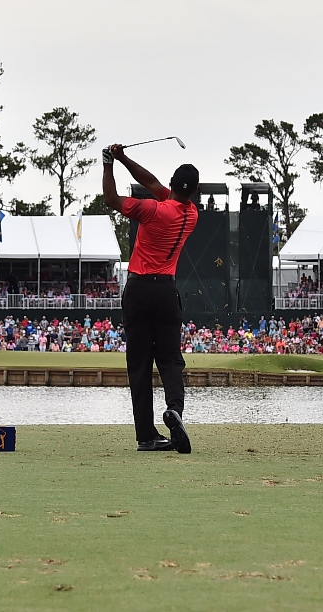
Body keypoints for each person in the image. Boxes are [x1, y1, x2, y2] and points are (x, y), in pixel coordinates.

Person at [102, 143, 198, 454]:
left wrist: (109, 164)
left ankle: (146, 434)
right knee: (170, 359)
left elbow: (111, 199)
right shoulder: (191, 214)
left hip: (139, 288)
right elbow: (153, 182)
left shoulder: (153, 209)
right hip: (167, 291)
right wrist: (125, 157)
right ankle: (175, 411)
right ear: (193, 192)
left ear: (172, 184)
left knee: (139, 364)